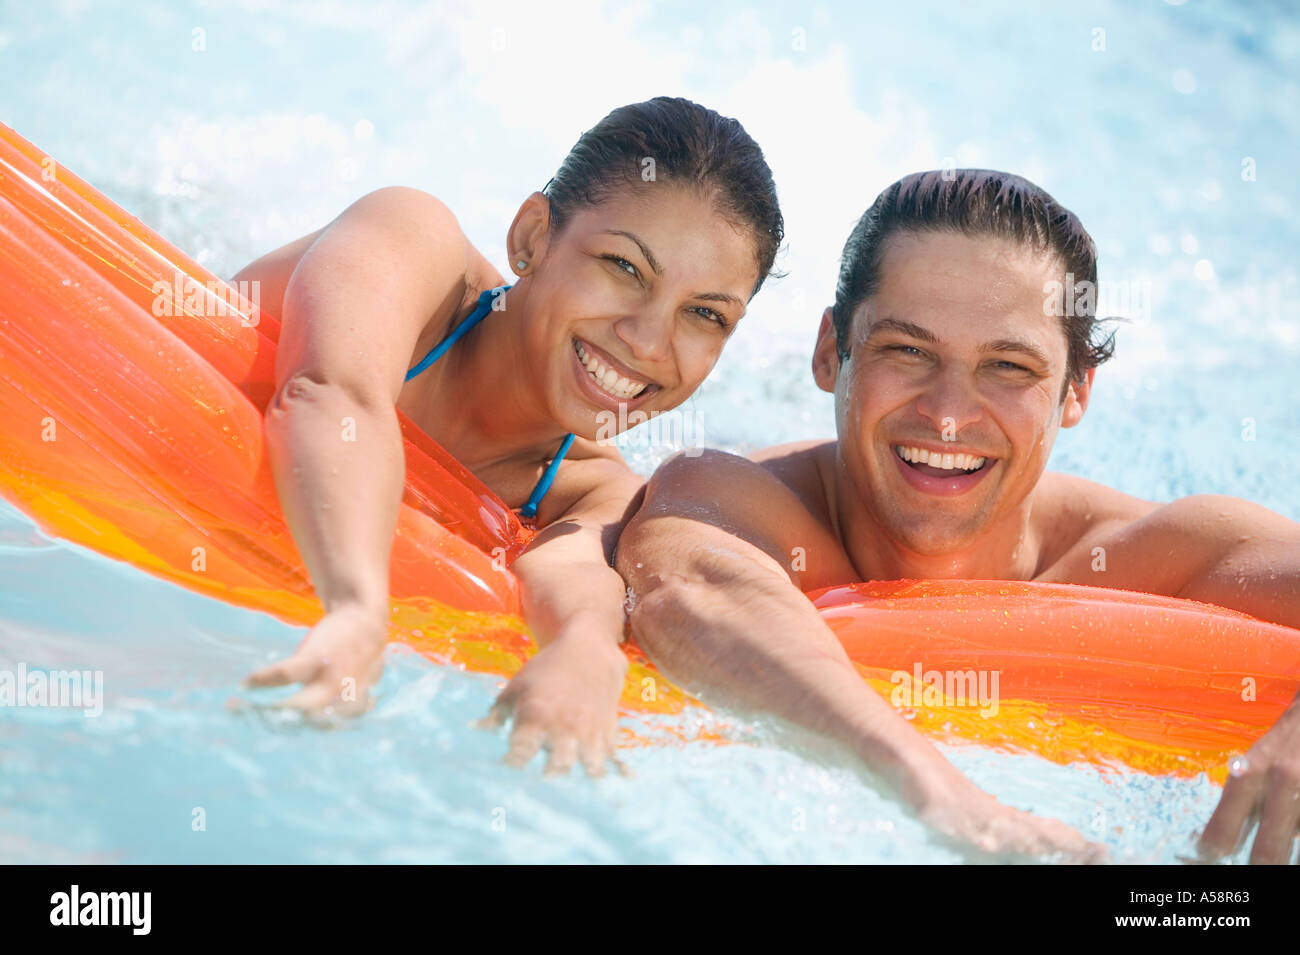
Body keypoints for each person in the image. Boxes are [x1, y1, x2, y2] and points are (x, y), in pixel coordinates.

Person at [616, 169, 1300, 862]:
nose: (946, 414)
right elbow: (686, 598)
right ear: (830, 351)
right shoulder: (730, 499)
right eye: (907, 350)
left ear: (1076, 391)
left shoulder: (1159, 553)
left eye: (1007, 366)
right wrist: (945, 795)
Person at [229, 97, 783, 777]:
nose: (647, 340)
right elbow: (331, 392)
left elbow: (573, 571)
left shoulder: (593, 485)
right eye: (624, 266)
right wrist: (356, 605)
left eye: (704, 313)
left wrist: (585, 647)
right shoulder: (413, 244)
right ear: (531, 238)